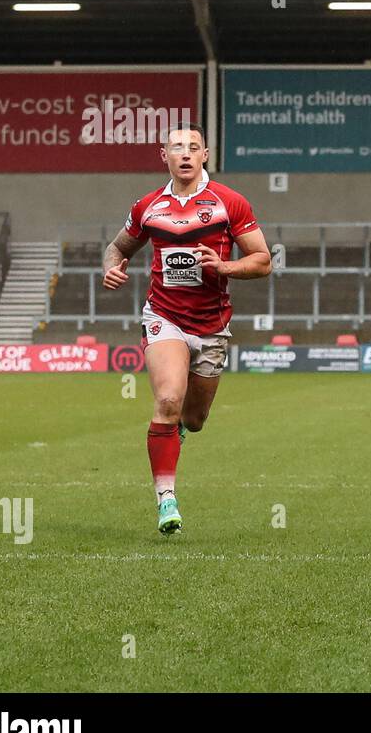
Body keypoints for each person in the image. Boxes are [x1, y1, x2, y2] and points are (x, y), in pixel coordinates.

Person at [102, 123, 271, 534]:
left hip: (212, 326)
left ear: (205, 155)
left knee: (192, 420)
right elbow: (118, 246)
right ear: (164, 156)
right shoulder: (148, 206)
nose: (184, 153)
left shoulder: (229, 203)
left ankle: (175, 430)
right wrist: (111, 267)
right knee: (167, 399)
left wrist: (224, 265)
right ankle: (166, 500)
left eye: (192, 147)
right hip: (164, 316)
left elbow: (264, 260)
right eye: (176, 147)